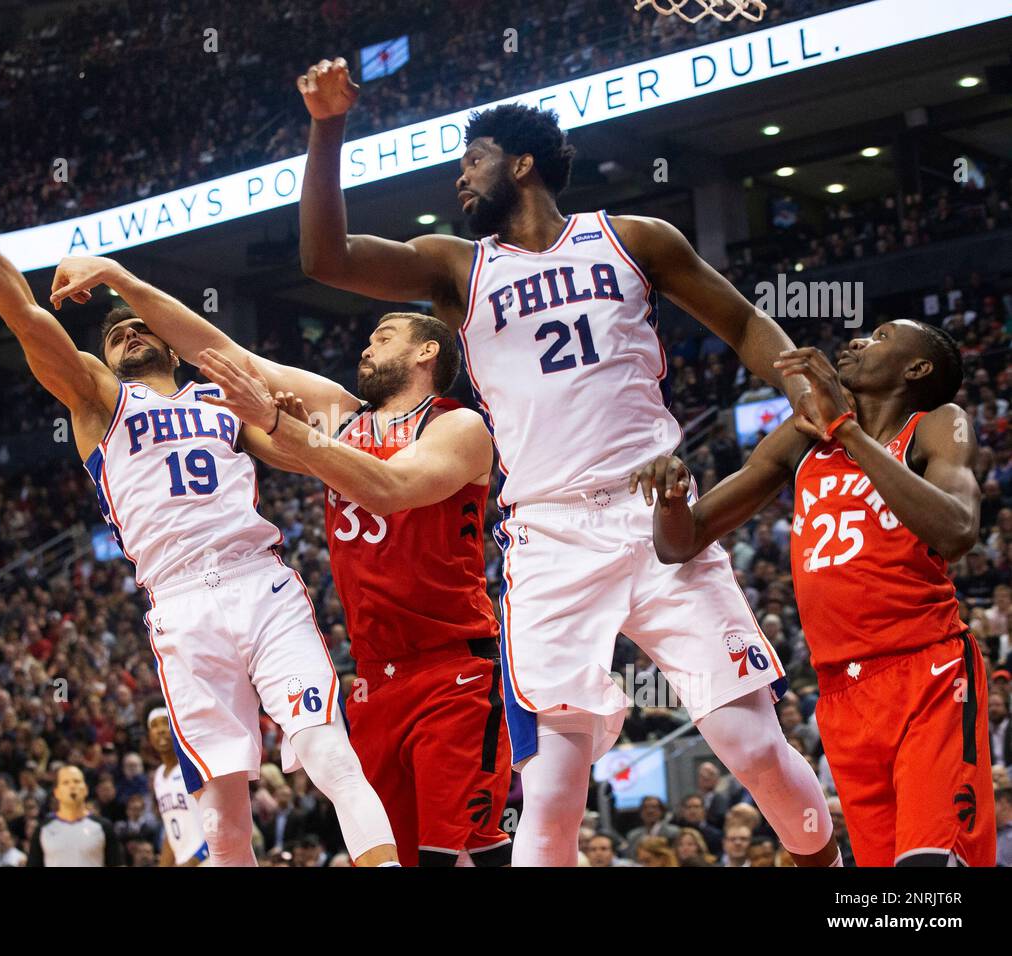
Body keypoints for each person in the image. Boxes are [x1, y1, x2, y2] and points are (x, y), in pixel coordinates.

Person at [294, 57, 834, 867]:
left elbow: (745, 319)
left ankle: (828, 867)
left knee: (749, 746)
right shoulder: (457, 266)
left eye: (471, 161)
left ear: (522, 163)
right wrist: (327, 127)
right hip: (545, 535)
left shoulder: (635, 239)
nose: (458, 180)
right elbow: (326, 260)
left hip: (657, 518)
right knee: (548, 792)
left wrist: (797, 374)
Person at [0, 183, 396, 867]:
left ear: (169, 342)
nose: (127, 334)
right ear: (104, 358)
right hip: (179, 604)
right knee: (221, 815)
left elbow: (315, 458)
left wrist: (268, 413)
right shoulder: (95, 398)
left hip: (261, 584)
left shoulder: (222, 397)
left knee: (326, 750)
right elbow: (24, 314)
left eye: (137, 326)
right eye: (113, 335)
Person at [47, 260, 511, 867]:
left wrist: (280, 426)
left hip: (453, 664)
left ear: (427, 351)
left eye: (384, 337)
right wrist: (122, 279)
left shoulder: (459, 426)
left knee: (455, 851)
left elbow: (389, 487)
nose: (366, 345)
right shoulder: (342, 417)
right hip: (376, 672)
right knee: (391, 846)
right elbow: (218, 349)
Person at [648, 321, 997, 866]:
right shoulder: (802, 438)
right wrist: (670, 499)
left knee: (931, 873)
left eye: (881, 336)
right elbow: (682, 542)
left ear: (918, 368)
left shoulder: (935, 424)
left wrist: (849, 431)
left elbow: (956, 530)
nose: (858, 341)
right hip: (842, 695)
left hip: (927, 673)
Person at [148, 707, 210, 866]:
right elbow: (172, 827)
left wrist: (196, 859)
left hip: (209, 859)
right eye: (154, 725)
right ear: (149, 737)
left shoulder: (193, 765)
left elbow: (217, 817)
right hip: (183, 860)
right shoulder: (158, 777)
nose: (160, 730)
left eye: (165, 723)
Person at [28, 765, 122, 867]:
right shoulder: (43, 829)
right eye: (66, 782)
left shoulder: (103, 827)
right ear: (57, 792)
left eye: (76, 781)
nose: (72, 786)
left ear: (85, 789)